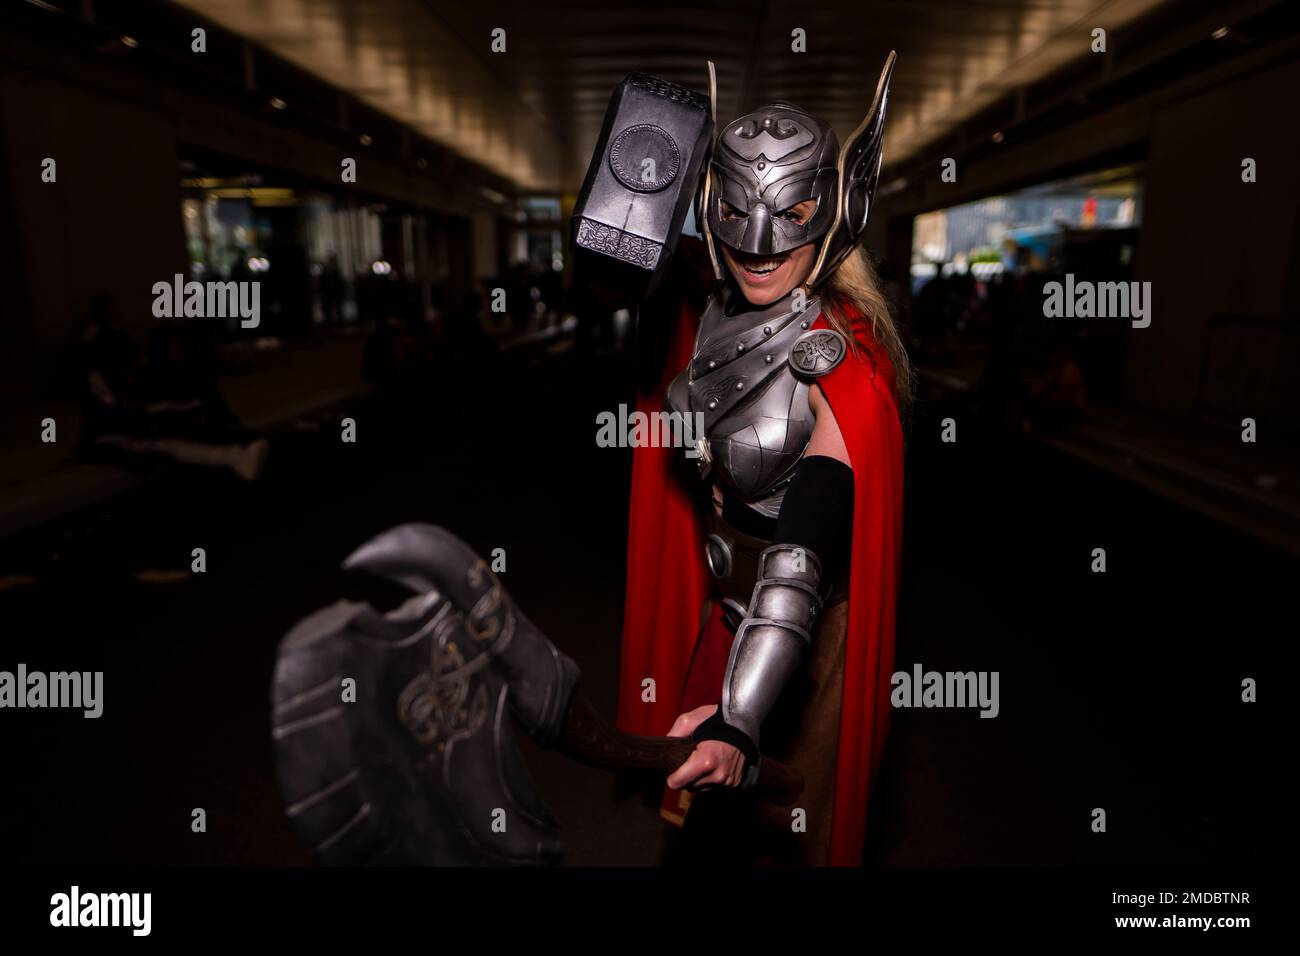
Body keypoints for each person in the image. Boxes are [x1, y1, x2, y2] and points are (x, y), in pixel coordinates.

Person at [606, 56, 911, 866]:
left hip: (798, 640)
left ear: (838, 210)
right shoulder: (710, 315)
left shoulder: (844, 365)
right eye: (735, 212)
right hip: (723, 603)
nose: (760, 243)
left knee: (788, 830)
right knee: (706, 827)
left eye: (793, 212)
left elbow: (802, 555)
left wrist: (740, 713)